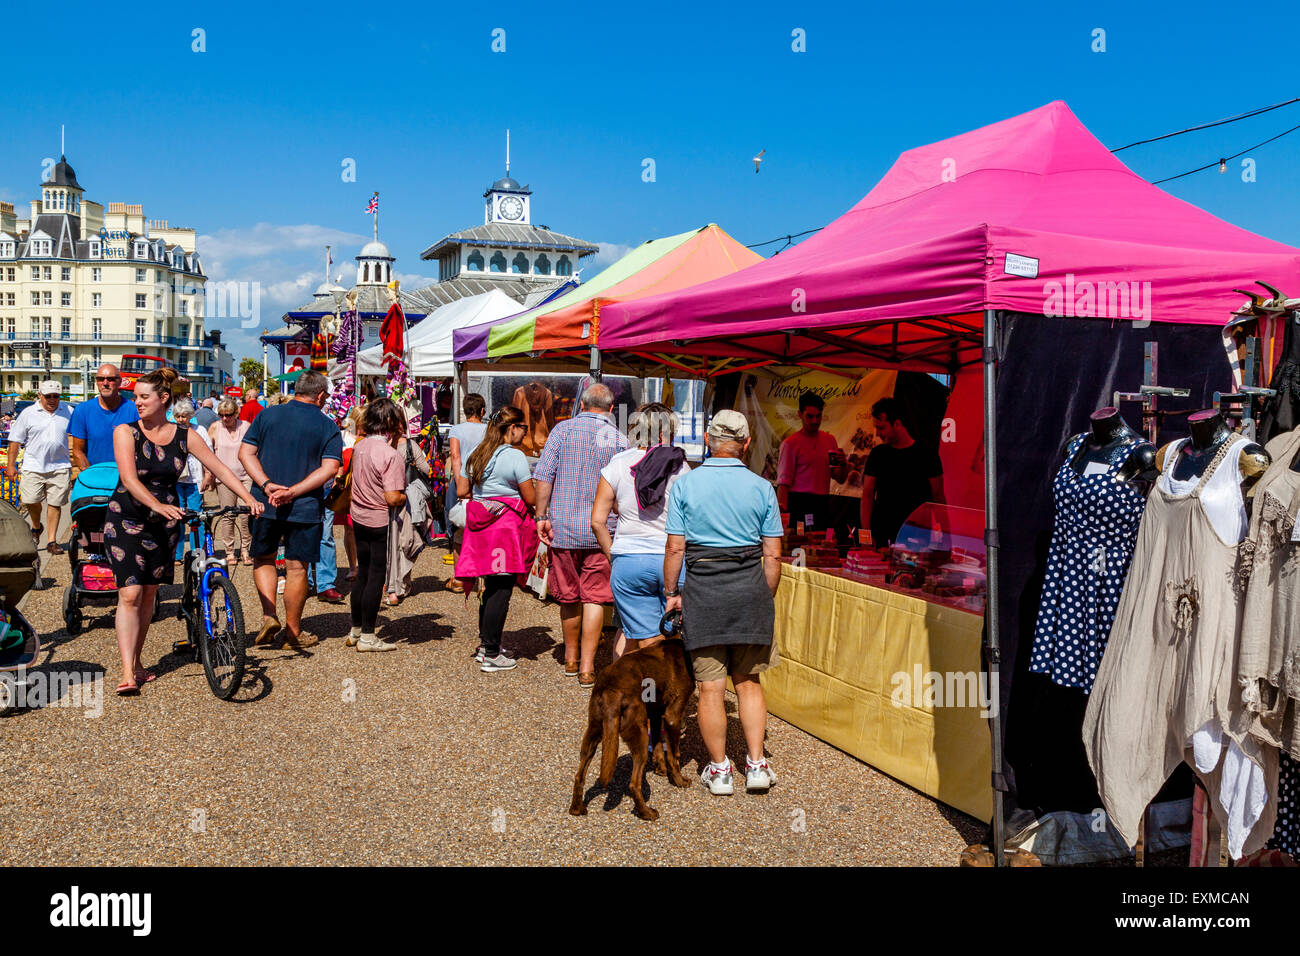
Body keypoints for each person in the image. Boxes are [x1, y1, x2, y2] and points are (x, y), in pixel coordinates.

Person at [104, 367, 263, 695]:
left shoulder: (184, 435)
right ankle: (126, 670)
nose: (138, 403)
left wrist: (249, 497)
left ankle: (137, 661)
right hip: (127, 518)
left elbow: (219, 468)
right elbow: (130, 480)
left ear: (164, 399)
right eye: (135, 397)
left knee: (149, 592)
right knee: (130, 592)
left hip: (166, 521)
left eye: (144, 397)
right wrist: (158, 506)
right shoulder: (125, 431)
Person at [664, 410, 783, 795]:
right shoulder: (763, 487)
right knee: (749, 682)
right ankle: (757, 764)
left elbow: (675, 547)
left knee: (710, 687)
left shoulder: (685, 485)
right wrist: (763, 596)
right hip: (750, 590)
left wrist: (671, 594)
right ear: (747, 444)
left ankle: (719, 771)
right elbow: (774, 556)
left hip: (704, 592)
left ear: (707, 442)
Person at [238, 370, 342, 651]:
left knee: (264, 559)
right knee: (297, 569)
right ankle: (293, 632)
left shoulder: (267, 414)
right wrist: (293, 491)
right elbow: (330, 468)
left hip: (264, 501)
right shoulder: (327, 425)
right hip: (305, 506)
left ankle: (269, 616)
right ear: (320, 395)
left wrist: (267, 484)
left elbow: (244, 453)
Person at [533, 383, 629, 687]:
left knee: (569, 597)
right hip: (603, 531)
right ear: (611, 409)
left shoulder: (562, 432)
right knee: (595, 598)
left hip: (563, 528)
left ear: (582, 405)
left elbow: (544, 477)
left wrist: (541, 516)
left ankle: (571, 658)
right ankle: (588, 667)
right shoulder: (620, 439)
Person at [591, 402, 689, 661]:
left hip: (630, 558)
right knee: (664, 639)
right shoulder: (681, 467)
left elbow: (598, 522)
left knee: (631, 631)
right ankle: (652, 694)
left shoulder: (617, 463)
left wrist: (614, 555)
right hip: (672, 560)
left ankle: (626, 691)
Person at [456, 405, 537, 673]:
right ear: (511, 428)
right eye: (523, 428)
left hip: (481, 526)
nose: (525, 433)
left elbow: (463, 489)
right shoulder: (515, 457)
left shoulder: (476, 453)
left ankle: (486, 646)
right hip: (505, 530)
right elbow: (530, 498)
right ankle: (491, 652)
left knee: (489, 587)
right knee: (501, 590)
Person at [346, 399, 408, 652]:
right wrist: (408, 495)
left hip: (358, 515)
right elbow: (393, 497)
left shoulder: (360, 447)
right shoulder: (390, 454)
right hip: (379, 519)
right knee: (375, 576)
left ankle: (356, 629)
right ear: (391, 423)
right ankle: (368, 637)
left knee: (363, 572)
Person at [859, 397, 946, 550]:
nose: (877, 433)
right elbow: (867, 495)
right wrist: (866, 533)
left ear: (897, 424)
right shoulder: (877, 454)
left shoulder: (927, 455)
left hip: (917, 536)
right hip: (882, 536)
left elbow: (938, 497)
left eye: (881, 428)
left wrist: (944, 537)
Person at [6, 381, 73, 555]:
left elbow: (79, 435)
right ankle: (37, 526)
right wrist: (11, 465)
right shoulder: (28, 413)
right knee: (30, 500)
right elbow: (15, 441)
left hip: (60, 466)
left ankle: (51, 541)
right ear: (40, 396)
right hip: (33, 465)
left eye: (56, 396)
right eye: (48, 396)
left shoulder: (68, 411)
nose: (52, 399)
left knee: (55, 503)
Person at [776, 391, 846, 531]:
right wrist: (781, 518)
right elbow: (783, 484)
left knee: (821, 548)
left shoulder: (829, 440)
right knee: (798, 548)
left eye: (818, 416)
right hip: (799, 502)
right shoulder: (791, 443)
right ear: (800, 414)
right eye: (810, 416)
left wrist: (844, 464)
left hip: (823, 502)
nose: (815, 421)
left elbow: (840, 478)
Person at [445, 393, 487, 594]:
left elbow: (455, 456)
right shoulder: (489, 430)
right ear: (482, 411)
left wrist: (459, 480)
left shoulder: (456, 429)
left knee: (458, 528)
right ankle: (481, 579)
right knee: (481, 529)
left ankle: (460, 577)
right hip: (482, 483)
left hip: (460, 480)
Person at [386, 429, 431, 606]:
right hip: (404, 500)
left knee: (390, 544)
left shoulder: (379, 445)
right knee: (404, 542)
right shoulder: (411, 446)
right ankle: (399, 586)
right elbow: (427, 470)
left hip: (382, 502)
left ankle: (391, 587)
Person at [208, 398, 254, 566]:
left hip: (245, 476)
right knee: (228, 515)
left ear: (236, 413)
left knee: (245, 514)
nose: (225, 418)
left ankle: (245, 550)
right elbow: (208, 452)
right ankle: (229, 551)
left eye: (228, 415)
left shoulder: (246, 426)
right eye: (221, 415)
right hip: (224, 477)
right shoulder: (215, 427)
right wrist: (209, 475)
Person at [70, 363, 139, 470]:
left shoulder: (134, 410)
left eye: (111, 379)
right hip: (95, 478)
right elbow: (78, 451)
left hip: (127, 479)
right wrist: (91, 476)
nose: (105, 383)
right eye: (100, 379)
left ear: (120, 381)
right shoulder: (82, 410)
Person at [170, 398, 210, 560]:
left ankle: (197, 553)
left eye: (184, 416)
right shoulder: (170, 430)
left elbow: (209, 454)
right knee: (177, 517)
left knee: (196, 517)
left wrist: (208, 475)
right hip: (176, 479)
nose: (181, 419)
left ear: (190, 416)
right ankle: (177, 554)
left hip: (195, 479)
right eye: (178, 416)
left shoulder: (199, 430)